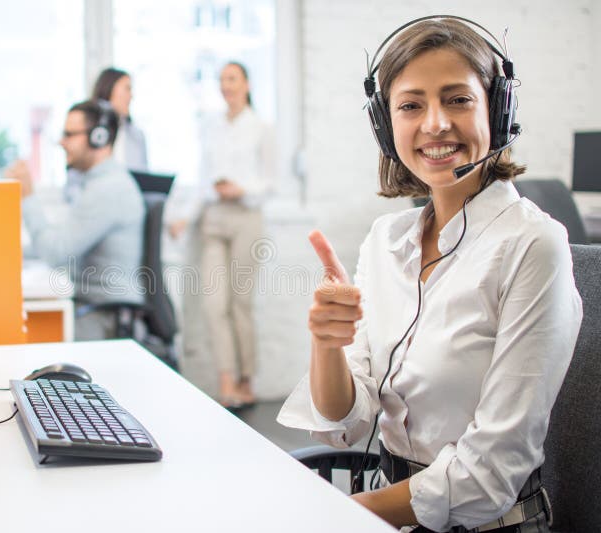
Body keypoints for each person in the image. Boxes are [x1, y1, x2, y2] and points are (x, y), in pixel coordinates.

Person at [277, 17, 582, 532]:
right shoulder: (385, 241)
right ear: (386, 124)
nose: (435, 123)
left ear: (498, 110)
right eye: (411, 105)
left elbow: (489, 475)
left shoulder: (532, 244)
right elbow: (344, 423)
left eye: (458, 99)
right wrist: (326, 343)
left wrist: (338, 517)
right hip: (391, 514)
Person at [172, 62, 275, 408]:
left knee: (240, 304)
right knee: (215, 305)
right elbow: (203, 179)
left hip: (246, 215)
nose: (226, 86)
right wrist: (185, 218)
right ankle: (226, 381)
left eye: (232, 79)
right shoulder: (211, 127)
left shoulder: (260, 127)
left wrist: (240, 188)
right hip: (214, 218)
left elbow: (269, 182)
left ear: (246, 84)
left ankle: (247, 380)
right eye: (221, 80)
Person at [7, 99, 145, 341]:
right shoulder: (94, 184)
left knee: (26, 340)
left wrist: (27, 196)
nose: (61, 142)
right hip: (93, 309)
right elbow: (61, 240)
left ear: (99, 138)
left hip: (102, 319)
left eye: (69, 134)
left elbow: (56, 252)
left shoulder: (108, 190)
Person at [91, 67, 148, 172]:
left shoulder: (137, 136)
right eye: (127, 88)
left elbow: (143, 176)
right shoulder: (89, 130)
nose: (131, 96)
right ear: (109, 88)